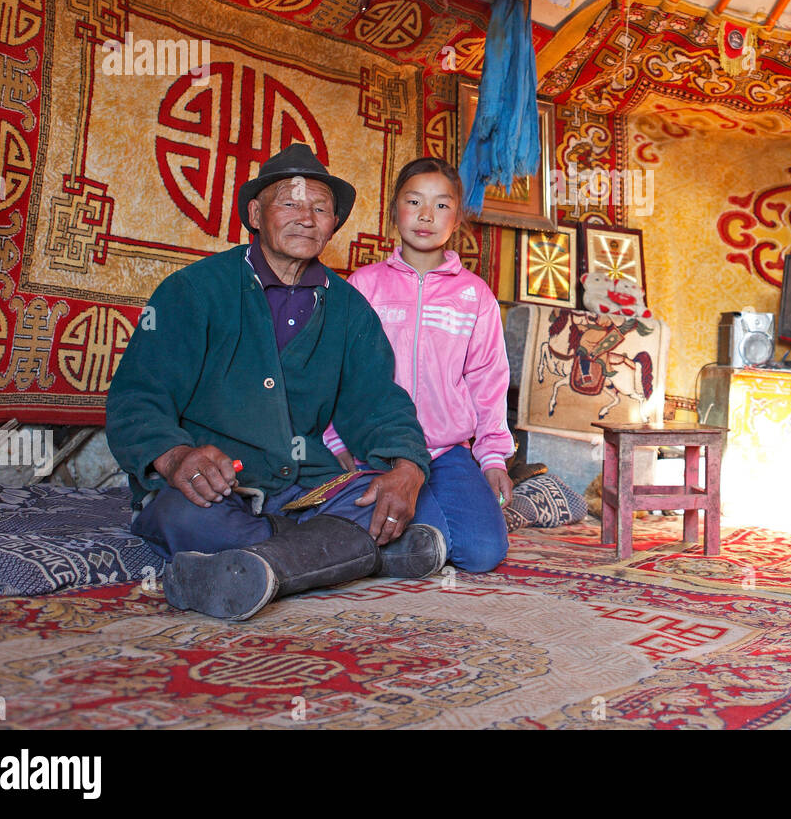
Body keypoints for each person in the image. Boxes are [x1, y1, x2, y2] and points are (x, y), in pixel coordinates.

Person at [106, 144, 445, 621]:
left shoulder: (350, 310)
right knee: (182, 515)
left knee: (392, 500)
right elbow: (137, 398)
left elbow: (378, 403)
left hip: (304, 487)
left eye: (321, 208)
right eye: (290, 202)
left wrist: (407, 467)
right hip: (216, 488)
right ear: (255, 213)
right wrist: (177, 455)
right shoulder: (192, 291)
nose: (306, 218)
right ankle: (351, 556)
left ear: (333, 224)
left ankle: (258, 567)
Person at [323, 157, 512, 572]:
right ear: (394, 210)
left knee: (483, 553)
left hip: (446, 450)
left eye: (442, 205)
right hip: (375, 447)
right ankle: (415, 533)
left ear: (458, 218)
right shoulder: (364, 286)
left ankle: (419, 533)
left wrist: (493, 458)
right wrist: (336, 439)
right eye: (414, 201)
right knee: (394, 525)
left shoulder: (475, 296)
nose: (427, 215)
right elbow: (334, 370)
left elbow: (488, 380)